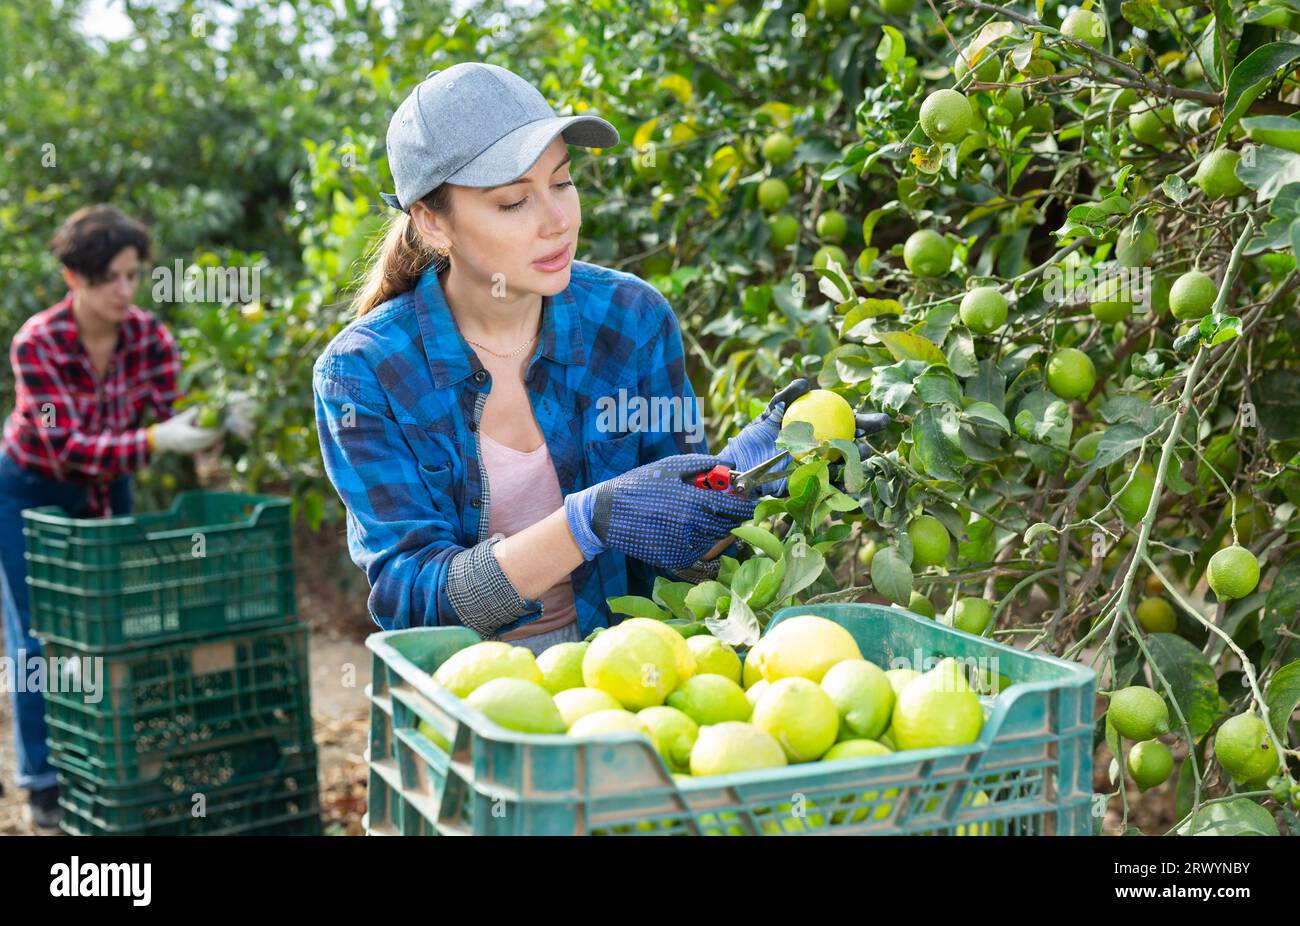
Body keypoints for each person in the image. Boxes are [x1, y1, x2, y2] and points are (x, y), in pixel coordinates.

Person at [312, 63, 881, 657]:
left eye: (562, 183)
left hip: (625, 662)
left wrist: (736, 485)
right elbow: (413, 597)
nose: (559, 222)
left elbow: (685, 564)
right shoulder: (365, 373)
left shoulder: (631, 319)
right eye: (513, 202)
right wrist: (585, 523)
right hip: (472, 686)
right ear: (432, 222)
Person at [0, 204, 231, 830]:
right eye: (110, 279)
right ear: (75, 278)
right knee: (42, 638)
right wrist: (156, 442)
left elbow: (166, 411)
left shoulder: (150, 337)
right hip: (32, 490)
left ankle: (102, 762)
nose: (125, 291)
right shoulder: (38, 343)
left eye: (132, 276)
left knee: (109, 629)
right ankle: (44, 781)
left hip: (108, 491)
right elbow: (63, 447)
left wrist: (214, 421)